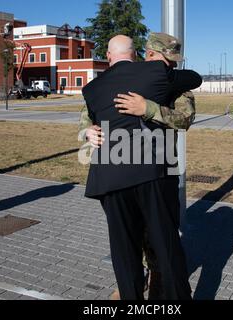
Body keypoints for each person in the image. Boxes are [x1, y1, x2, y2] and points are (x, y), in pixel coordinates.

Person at [81, 34, 201, 300]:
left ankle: (158, 285)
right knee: (133, 244)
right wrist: (86, 131)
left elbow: (184, 119)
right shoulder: (146, 75)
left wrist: (148, 107)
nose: (170, 65)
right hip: (134, 172)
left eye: (173, 61)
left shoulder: (176, 85)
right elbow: (89, 113)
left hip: (158, 169)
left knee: (160, 244)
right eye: (166, 59)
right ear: (147, 55)